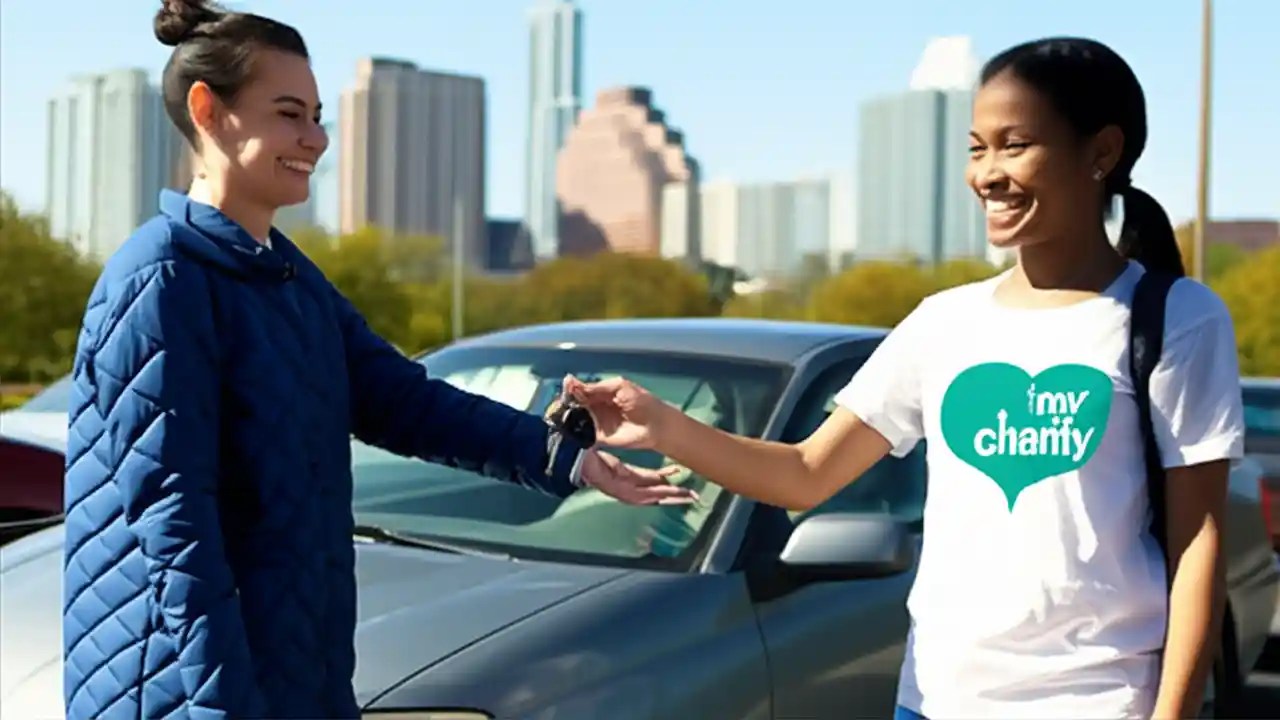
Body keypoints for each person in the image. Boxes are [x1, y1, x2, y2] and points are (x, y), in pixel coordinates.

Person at [568, 37, 1243, 720]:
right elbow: (804, 472)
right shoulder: (943, 322)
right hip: (935, 701)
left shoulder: (1174, 318)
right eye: (977, 148)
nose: (988, 173)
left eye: (1015, 145)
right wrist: (661, 425)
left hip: (1095, 702)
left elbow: (1199, 541)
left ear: (1101, 152)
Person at [60, 2, 693, 718]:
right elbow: (175, 536)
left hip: (294, 676)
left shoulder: (288, 279)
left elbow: (406, 402)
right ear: (209, 110)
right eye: (290, 114)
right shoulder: (162, 279)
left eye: (319, 116)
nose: (316, 138)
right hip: (183, 692)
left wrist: (569, 456)